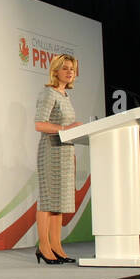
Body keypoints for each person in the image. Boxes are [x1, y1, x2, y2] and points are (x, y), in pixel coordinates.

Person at [33, 54, 81, 264]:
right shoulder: (49, 93)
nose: (70, 72)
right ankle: (43, 246)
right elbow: (40, 124)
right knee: (47, 201)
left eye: (72, 69)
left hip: (64, 152)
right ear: (55, 71)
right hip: (51, 151)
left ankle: (57, 246)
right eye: (65, 68)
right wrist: (65, 128)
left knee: (59, 203)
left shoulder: (64, 96)